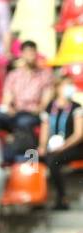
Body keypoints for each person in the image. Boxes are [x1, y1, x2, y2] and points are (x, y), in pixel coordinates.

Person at [42, 78, 83, 212]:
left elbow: (78, 135)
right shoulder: (50, 108)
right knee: (31, 157)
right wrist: (42, 146)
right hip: (53, 148)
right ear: (58, 88)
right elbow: (44, 130)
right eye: (67, 85)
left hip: (73, 147)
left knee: (53, 162)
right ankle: (38, 199)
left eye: (71, 85)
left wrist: (62, 147)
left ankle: (62, 198)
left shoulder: (77, 108)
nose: (69, 88)